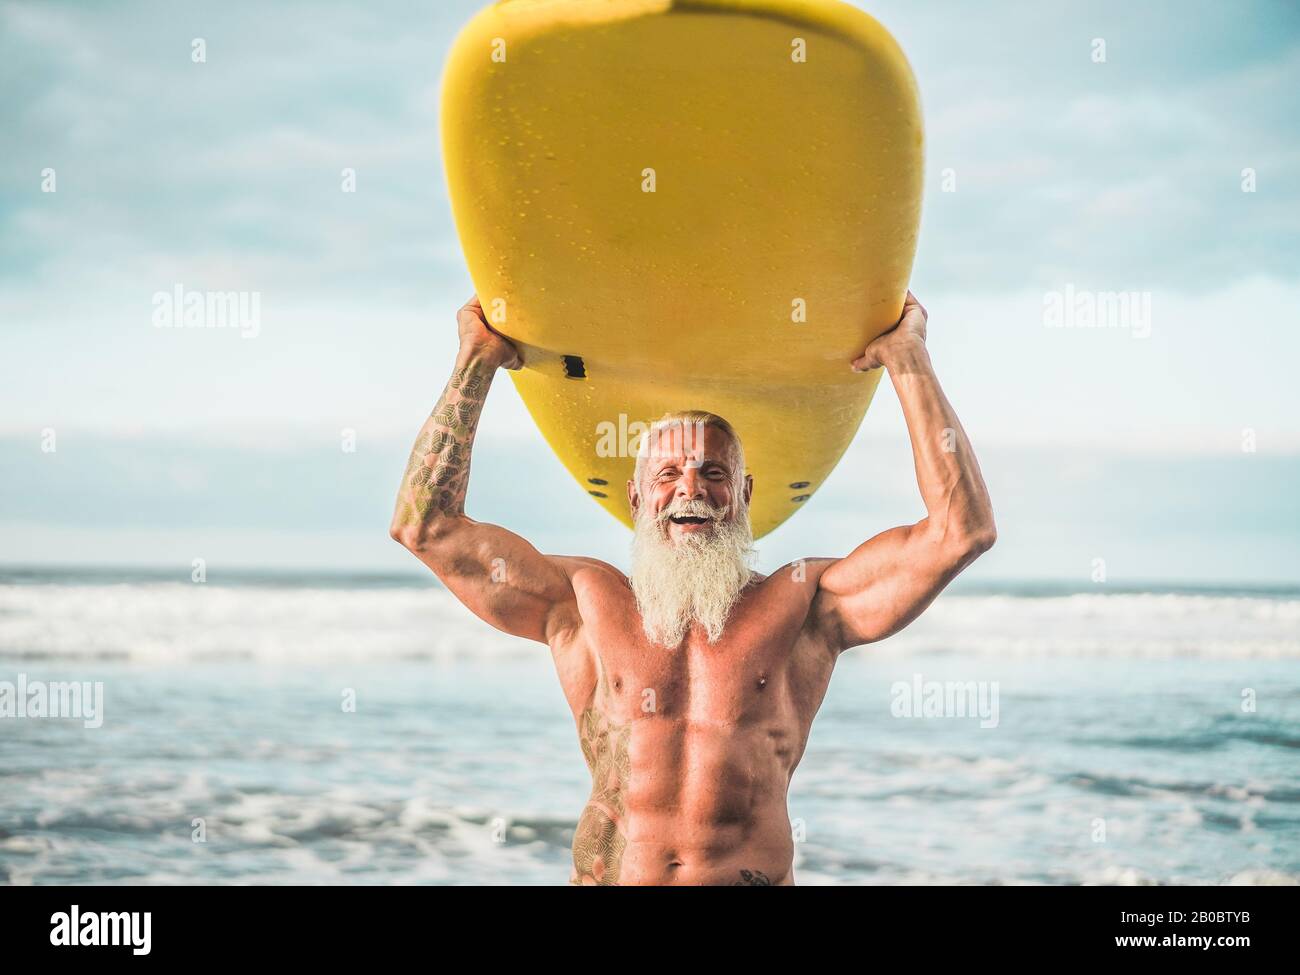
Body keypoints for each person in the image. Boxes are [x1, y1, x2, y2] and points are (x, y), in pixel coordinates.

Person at [390, 291, 996, 885]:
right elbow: (426, 526)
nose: (691, 489)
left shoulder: (806, 604)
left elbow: (960, 532)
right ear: (636, 499)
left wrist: (908, 360)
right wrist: (477, 360)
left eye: (714, 473)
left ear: (745, 495)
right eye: (668, 474)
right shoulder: (581, 602)